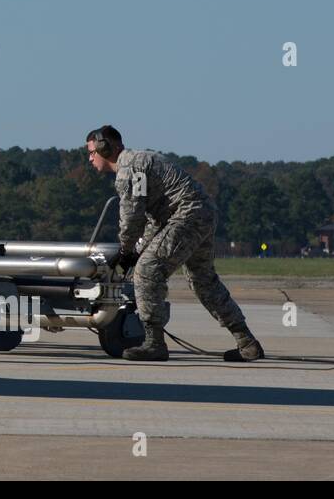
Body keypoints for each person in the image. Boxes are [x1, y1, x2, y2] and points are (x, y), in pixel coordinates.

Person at [86, 125, 263, 362]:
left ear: (105, 148)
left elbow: (132, 217)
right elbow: (152, 220)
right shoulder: (138, 162)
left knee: (147, 271)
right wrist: (136, 249)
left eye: (92, 152)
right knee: (204, 282)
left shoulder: (129, 168)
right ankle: (247, 343)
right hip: (198, 214)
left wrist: (126, 251)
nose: (90, 158)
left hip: (187, 216)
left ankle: (154, 343)